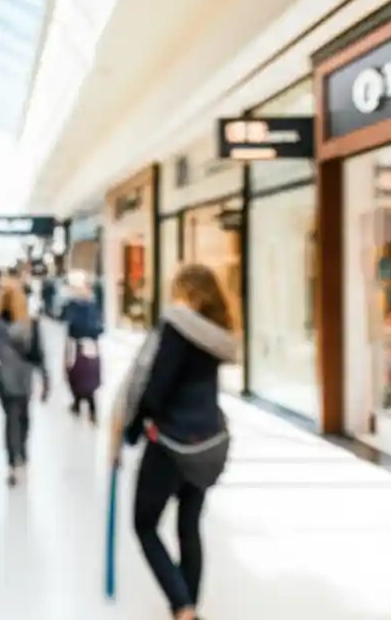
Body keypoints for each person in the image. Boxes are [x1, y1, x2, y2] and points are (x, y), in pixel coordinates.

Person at [116, 264, 237, 620]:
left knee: (144, 523)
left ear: (188, 292)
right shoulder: (218, 333)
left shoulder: (178, 327)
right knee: (189, 526)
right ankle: (188, 607)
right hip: (210, 444)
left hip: (172, 443)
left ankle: (183, 607)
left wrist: (134, 427)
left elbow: (157, 385)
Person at [0, 284, 48, 487]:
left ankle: (13, 462)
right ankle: (21, 454)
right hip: (24, 378)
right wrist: (46, 379)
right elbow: (39, 354)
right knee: (22, 417)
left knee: (11, 419)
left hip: (4, 379)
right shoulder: (31, 324)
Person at [62, 271, 103, 423]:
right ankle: (83, 406)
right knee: (84, 377)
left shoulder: (76, 305)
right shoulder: (92, 305)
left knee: (78, 376)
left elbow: (69, 323)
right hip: (88, 345)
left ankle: (82, 406)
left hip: (79, 344)